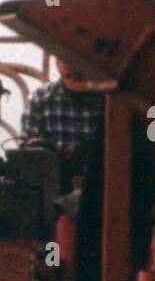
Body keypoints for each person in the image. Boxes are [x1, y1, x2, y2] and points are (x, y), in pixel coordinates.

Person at [21, 59, 103, 188]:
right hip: (54, 190)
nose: (73, 63)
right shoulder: (40, 99)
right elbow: (26, 156)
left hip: (102, 187)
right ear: (57, 62)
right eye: (64, 56)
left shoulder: (112, 100)